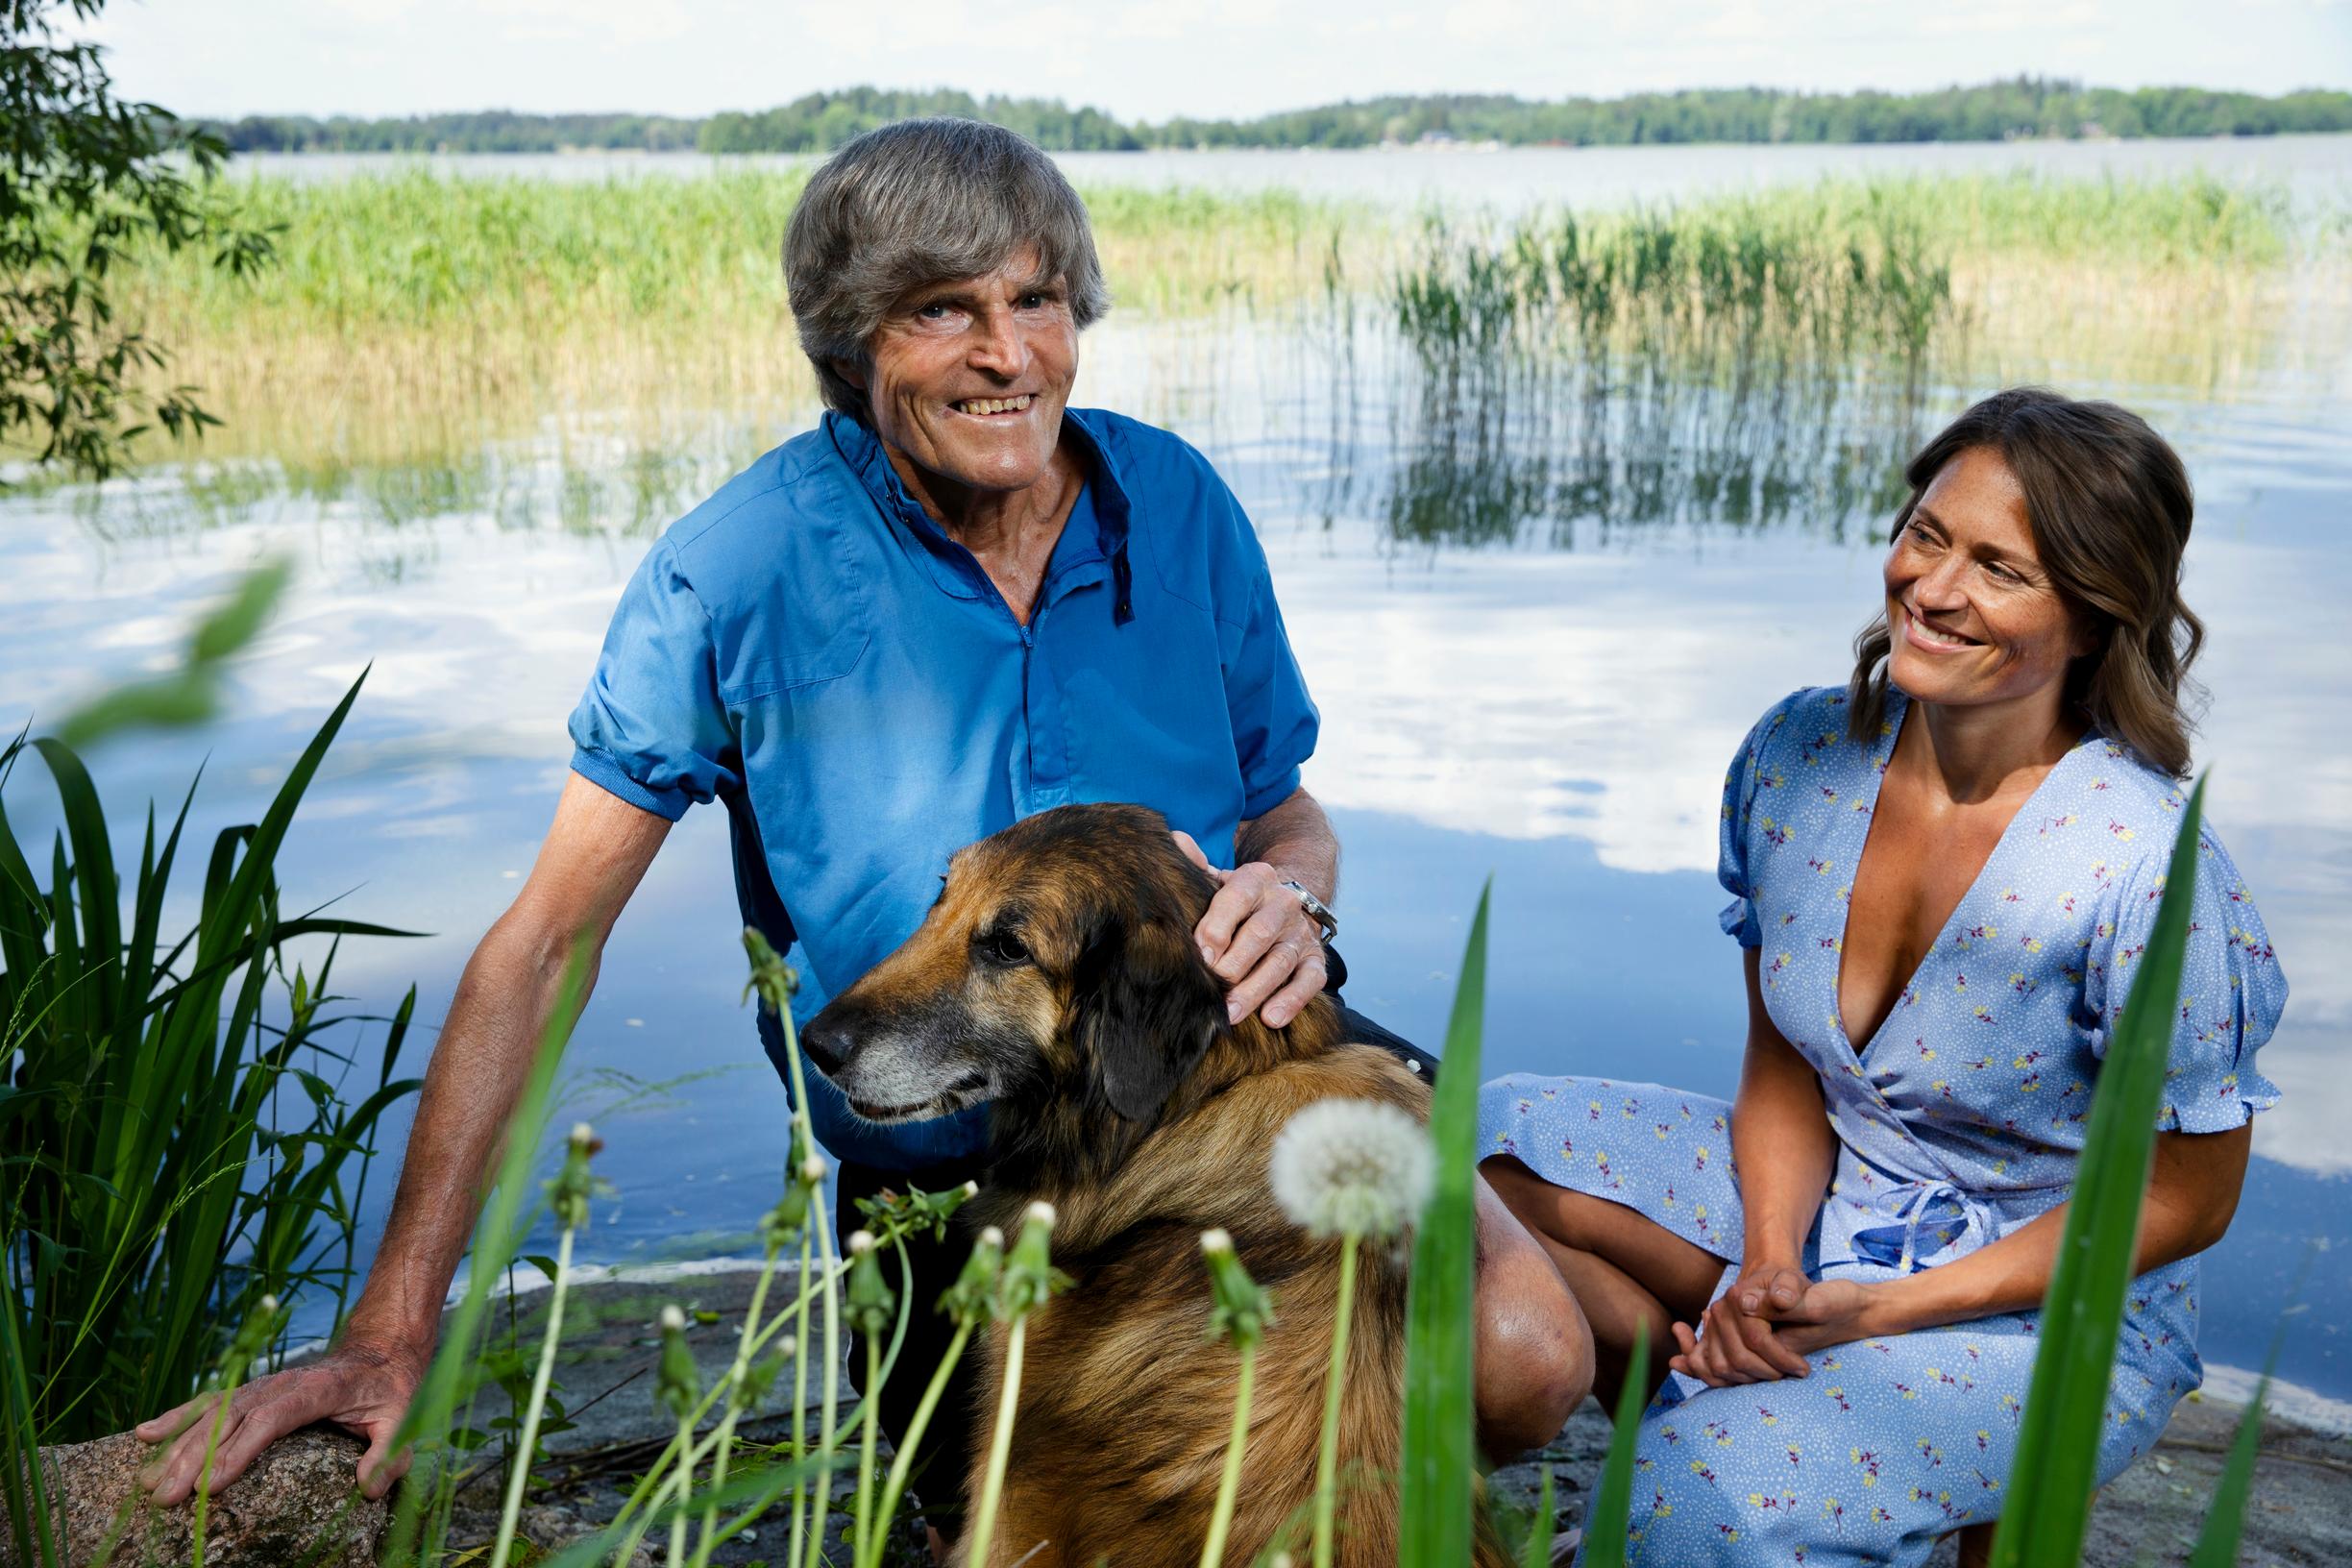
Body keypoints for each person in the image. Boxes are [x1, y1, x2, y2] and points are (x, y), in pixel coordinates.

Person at [135, 118, 1589, 1524]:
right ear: (849, 344)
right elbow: (542, 945)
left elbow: (1286, 808)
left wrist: (1296, 898)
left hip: (1224, 1082)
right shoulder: (737, 568)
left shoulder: (1183, 506)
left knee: (1529, 1362)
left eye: (1038, 299)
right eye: (943, 311)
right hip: (952, 1161)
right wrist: (392, 1329)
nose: (1010, 354)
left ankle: (1575, 1255)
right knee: (993, 1509)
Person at [1479, 387, 2286, 1567]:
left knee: (1696, 1496)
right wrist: (1765, 1261)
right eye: (1928, 534)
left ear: (2095, 615)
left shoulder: (2145, 869)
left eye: (2001, 570)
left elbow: (2190, 1198)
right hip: (1842, 1199)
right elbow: (1785, 1063)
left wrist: (1889, 1309)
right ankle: (1725, 1416)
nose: (1936, 588)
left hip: (2045, 1296)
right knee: (1487, 1155)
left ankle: (1725, 1480)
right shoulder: (1798, 755)